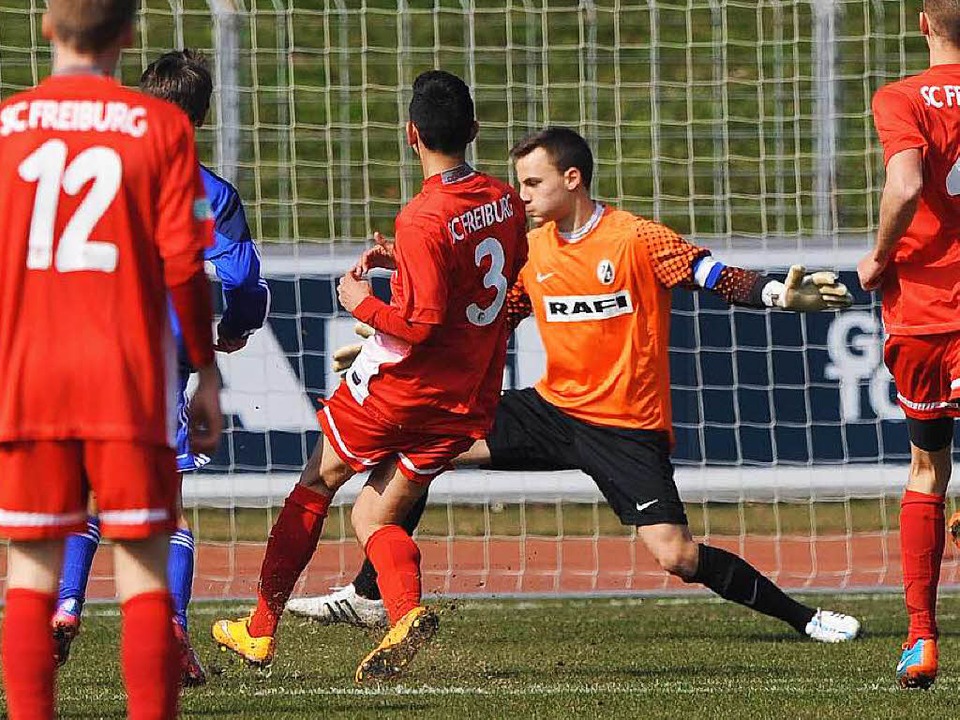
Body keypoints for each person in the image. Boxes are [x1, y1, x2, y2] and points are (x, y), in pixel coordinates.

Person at [291, 127, 863, 652]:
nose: (524, 195)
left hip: (624, 429)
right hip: (550, 409)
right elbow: (486, 320)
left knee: (679, 556)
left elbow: (709, 274)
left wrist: (776, 295)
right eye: (519, 184)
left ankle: (804, 617)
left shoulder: (636, 238)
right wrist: (391, 349)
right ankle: (370, 596)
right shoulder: (533, 250)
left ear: (573, 179)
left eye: (533, 182)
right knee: (420, 446)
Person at [211, 69, 528, 683]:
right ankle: (405, 614)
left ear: (411, 135)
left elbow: (421, 324)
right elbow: (490, 275)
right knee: (372, 520)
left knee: (315, 483)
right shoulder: (504, 199)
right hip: (464, 397)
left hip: (402, 388)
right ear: (475, 131)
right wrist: (402, 266)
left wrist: (362, 302)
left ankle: (259, 627)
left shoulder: (422, 217)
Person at [0, 2, 222, 718]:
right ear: (127, 36)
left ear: (45, 28)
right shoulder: (161, 129)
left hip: (29, 376)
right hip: (126, 378)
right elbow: (187, 264)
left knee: (29, 574)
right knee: (145, 572)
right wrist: (206, 370)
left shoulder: (5, 130)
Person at [51, 49, 269, 688]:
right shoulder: (210, 195)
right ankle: (170, 625)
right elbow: (243, 278)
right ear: (199, 119)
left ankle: (66, 603)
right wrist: (234, 328)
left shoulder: (96, 174)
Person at [858, 0, 960, 691]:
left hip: (924, 312)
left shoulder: (900, 98)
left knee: (927, 469)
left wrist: (877, 255)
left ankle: (921, 639)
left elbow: (907, 181)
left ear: (923, 24)